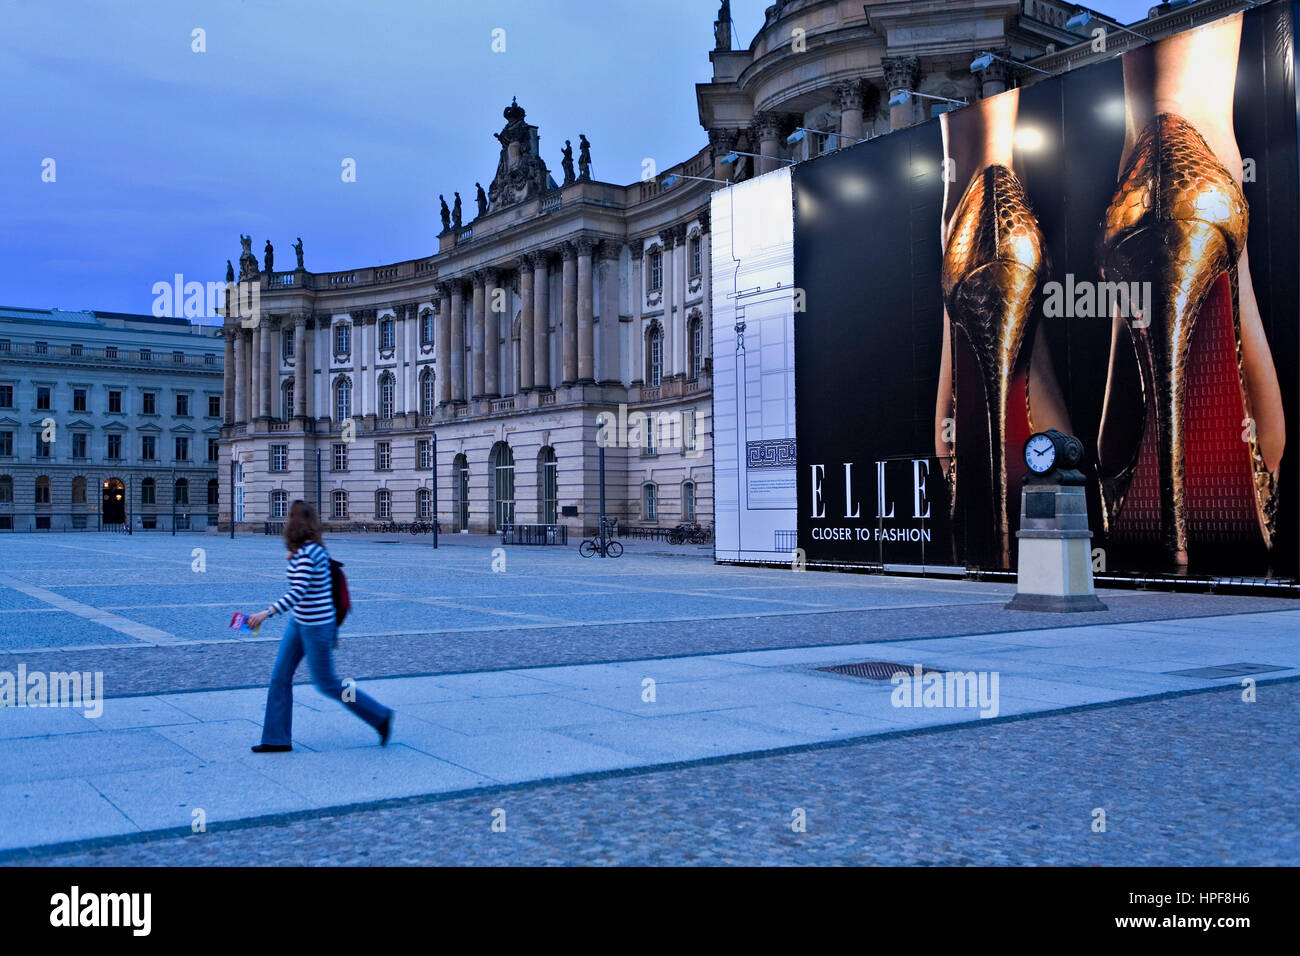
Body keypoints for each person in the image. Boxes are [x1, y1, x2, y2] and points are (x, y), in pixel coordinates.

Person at [248, 500, 393, 752]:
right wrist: (292, 557)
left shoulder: (310, 552)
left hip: (317, 626)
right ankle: (276, 739)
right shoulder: (307, 551)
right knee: (279, 677)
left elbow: (297, 592)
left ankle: (379, 715)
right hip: (300, 622)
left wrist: (266, 613)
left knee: (328, 683)